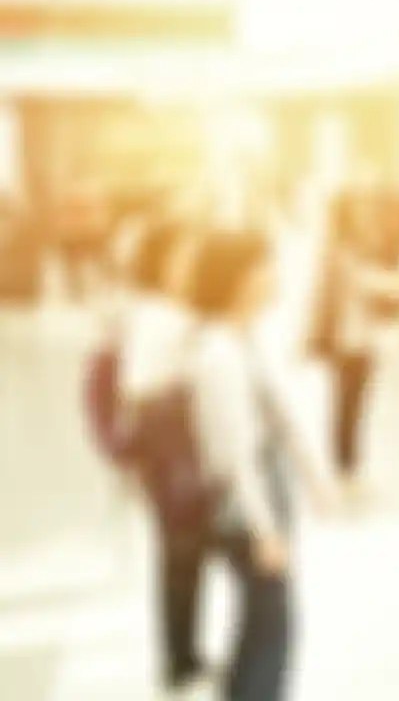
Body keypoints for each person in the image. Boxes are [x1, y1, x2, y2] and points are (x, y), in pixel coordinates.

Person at [188, 230, 338, 701]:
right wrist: (264, 529)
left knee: (259, 626)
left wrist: (313, 476)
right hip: (246, 507)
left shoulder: (243, 339)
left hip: (259, 497)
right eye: (265, 266)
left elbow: (281, 413)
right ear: (240, 279)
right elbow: (236, 457)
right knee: (272, 633)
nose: (276, 276)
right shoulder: (219, 353)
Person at [117, 221, 211, 699]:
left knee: (183, 554)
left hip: (170, 446)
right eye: (182, 257)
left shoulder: (166, 312)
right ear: (161, 264)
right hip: (170, 445)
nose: (190, 265)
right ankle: (179, 661)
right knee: (180, 552)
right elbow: (142, 385)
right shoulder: (161, 316)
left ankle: (185, 654)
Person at [309, 184, 399, 495]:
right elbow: (357, 288)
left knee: (355, 406)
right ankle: (345, 468)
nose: (366, 215)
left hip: (363, 340)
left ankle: (350, 465)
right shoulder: (339, 252)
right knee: (346, 406)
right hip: (347, 342)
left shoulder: (357, 248)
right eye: (359, 210)